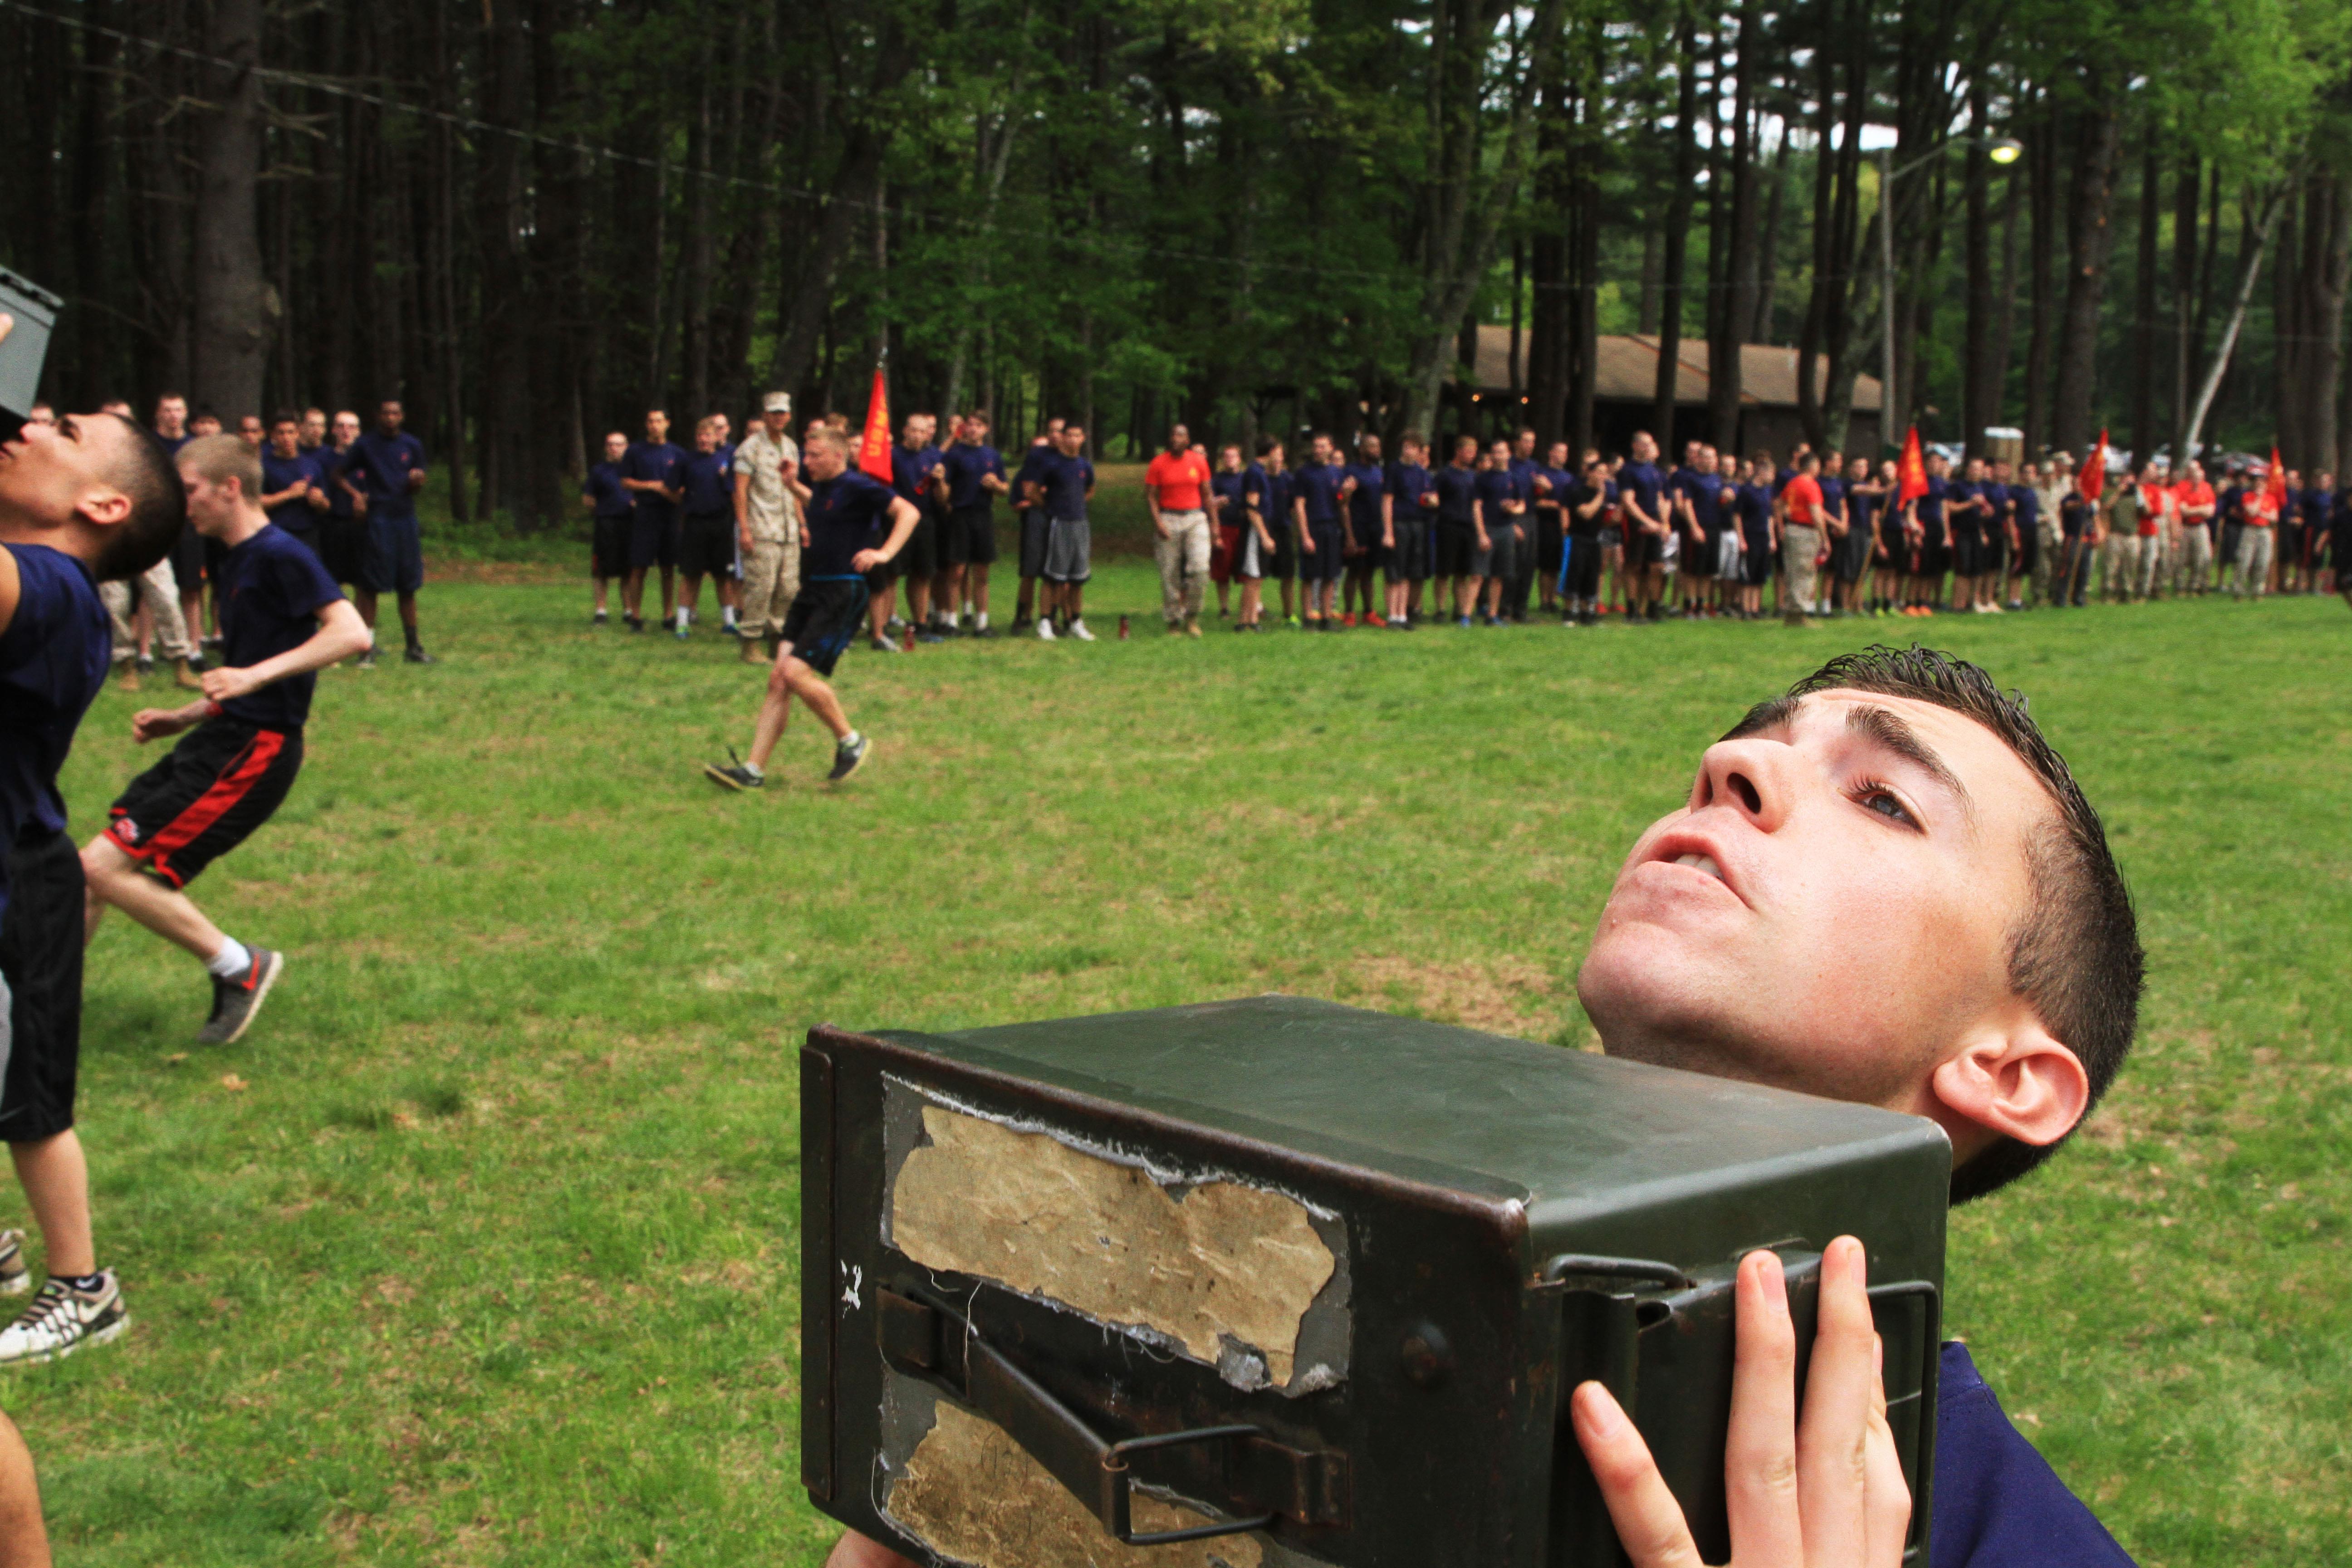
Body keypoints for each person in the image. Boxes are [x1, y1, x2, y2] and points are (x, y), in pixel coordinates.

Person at [825, 642, 2147, 1568]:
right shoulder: (1292, 1273)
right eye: (1754, 739)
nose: (1730, 763)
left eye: (1883, 798)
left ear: (2009, 1074)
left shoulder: (2017, 1542)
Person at [0, 384, 184, 1368]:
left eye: (64, 432)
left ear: (103, 504)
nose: (29, 426)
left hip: (16, 879)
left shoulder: (53, 587)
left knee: (31, 1097)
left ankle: (83, 1290)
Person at [80, 431, 370, 1051]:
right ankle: (39, 1008)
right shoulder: (234, 558)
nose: (183, 505)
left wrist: (252, 676)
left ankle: (240, 965)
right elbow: (242, 678)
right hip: (221, 736)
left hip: (255, 751)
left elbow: (352, 633)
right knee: (89, 873)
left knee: (102, 869)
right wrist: (184, 716)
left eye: (190, 491)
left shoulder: (282, 554)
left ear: (229, 488)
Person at [701, 424, 919, 790]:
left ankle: (850, 740)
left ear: (838, 456)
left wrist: (884, 553)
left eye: (816, 456)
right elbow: (823, 508)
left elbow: (909, 513)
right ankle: (753, 771)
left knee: (795, 674)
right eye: (807, 455)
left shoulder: (859, 486)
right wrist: (792, 486)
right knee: (778, 679)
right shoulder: (825, 489)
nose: (808, 462)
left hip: (842, 591)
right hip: (812, 590)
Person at [342, 399, 434, 664]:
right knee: (371, 586)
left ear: (402, 416)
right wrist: (356, 496)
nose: (391, 418)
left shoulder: (412, 445)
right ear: (378, 416)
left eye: (395, 413)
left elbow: (417, 486)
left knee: (408, 585)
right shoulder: (366, 445)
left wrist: (417, 482)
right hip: (378, 520)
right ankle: (367, 648)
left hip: (405, 519)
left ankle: (413, 647)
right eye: (386, 413)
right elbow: (338, 473)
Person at [734, 393, 803, 663]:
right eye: (774, 413)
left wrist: (802, 524)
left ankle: (778, 642)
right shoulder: (750, 448)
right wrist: (745, 529)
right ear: (764, 415)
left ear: (789, 415)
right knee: (761, 587)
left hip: (788, 530)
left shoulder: (791, 447)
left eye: (783, 413)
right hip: (761, 527)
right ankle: (750, 643)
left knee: (788, 588)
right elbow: (740, 492)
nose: (779, 417)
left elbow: (793, 490)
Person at [936, 410, 1007, 637]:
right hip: (960, 515)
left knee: (982, 572)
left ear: (986, 429)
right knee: (956, 571)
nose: (973, 429)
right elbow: (944, 491)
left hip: (983, 515)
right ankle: (951, 621)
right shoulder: (955, 455)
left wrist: (996, 485)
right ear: (964, 428)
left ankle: (982, 623)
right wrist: (941, 485)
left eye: (978, 425)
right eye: (970, 425)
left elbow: (1005, 489)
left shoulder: (993, 455)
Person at [1028, 421, 1097, 641]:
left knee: (1078, 578)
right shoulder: (1052, 464)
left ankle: (1076, 621)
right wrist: (1050, 508)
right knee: (1052, 577)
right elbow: (1032, 491)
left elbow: (1091, 489)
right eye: (1070, 435)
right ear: (1063, 438)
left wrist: (1079, 504)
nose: (1073, 440)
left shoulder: (1085, 466)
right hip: (1059, 524)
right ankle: (1045, 622)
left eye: (1078, 436)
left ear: (1083, 439)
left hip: (1080, 524)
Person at [1144, 423, 1213, 637]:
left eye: (1181, 435)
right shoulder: (1158, 463)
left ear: (1188, 440)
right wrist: (1158, 523)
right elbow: (1150, 496)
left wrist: (1215, 525)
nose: (1176, 439)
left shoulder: (1198, 461)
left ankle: (1192, 617)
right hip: (1168, 518)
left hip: (1195, 518)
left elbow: (1207, 494)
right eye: (1173, 435)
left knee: (1200, 569)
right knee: (1170, 573)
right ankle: (1174, 621)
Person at [619, 409, 685, 635]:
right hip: (645, 513)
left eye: (659, 421)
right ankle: (636, 616)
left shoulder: (677, 453)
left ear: (667, 423)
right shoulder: (635, 451)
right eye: (650, 421)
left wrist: (675, 494)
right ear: (646, 425)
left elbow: (684, 483)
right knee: (639, 566)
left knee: (668, 567)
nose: (655, 425)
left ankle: (668, 615)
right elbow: (625, 482)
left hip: (670, 513)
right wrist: (652, 486)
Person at [884, 413, 946, 645]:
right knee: (892, 573)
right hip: (898, 520)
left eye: (923, 431)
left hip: (925, 520)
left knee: (923, 573)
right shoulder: (893, 456)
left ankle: (921, 624)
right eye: (914, 430)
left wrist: (940, 481)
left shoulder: (935, 456)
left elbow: (943, 498)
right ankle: (884, 624)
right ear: (905, 431)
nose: (918, 436)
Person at [674, 416, 736, 641]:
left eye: (708, 435)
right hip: (695, 523)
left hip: (721, 522)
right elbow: (672, 488)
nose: (703, 440)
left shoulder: (726, 460)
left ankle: (730, 621)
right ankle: (682, 623)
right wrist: (686, 504)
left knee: (723, 575)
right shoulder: (686, 460)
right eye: (700, 435)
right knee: (690, 574)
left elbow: (734, 491)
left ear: (716, 437)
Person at [1008, 417, 1063, 637]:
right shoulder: (1037, 456)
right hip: (1037, 516)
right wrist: (1044, 501)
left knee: (1057, 572)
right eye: (1051, 430)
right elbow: (1027, 488)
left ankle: (1052, 618)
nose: (1054, 435)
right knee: (1030, 570)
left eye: (1059, 431)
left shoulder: (1069, 458)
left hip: (1061, 517)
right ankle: (1022, 616)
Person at [1291, 431, 1346, 630]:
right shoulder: (1304, 473)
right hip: (1313, 526)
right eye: (1316, 446)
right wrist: (1305, 535)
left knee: (1330, 575)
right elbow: (1299, 505)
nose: (1318, 450)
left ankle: (1326, 617)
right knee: (1309, 575)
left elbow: (1341, 503)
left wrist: (1347, 493)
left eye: (1322, 446)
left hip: (1332, 527)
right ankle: (1308, 618)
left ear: (1331, 448)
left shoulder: (1337, 473)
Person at [1237, 439, 1292, 631]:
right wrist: (1265, 536)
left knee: (1258, 576)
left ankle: (1252, 620)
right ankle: (1244, 622)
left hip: (1263, 526)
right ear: (1271, 452)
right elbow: (1252, 508)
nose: (1280, 457)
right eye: (1279, 452)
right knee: (1254, 576)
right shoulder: (1254, 472)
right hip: (1256, 529)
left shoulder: (1260, 472)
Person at [258, 410, 328, 558]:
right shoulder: (264, 465)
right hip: (276, 532)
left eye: (291, 432)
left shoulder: (312, 465)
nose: (286, 438)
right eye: (281, 433)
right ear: (273, 436)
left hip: (308, 533)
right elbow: (256, 503)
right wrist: (288, 495)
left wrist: (319, 501)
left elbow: (326, 506)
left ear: (298, 433)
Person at [1472, 437, 1526, 626]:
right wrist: (1481, 534)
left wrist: (1513, 510)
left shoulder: (1514, 478)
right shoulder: (1483, 478)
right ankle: (1466, 615)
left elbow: (1522, 506)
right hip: (1488, 528)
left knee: (1499, 576)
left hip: (1506, 529)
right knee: (1478, 574)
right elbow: (1477, 507)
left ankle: (1492, 615)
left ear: (1508, 454)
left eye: (1501, 452)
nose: (1497, 456)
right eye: (1495, 453)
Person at [1431, 435, 1484, 625]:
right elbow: (1434, 496)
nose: (1472, 456)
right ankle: (1440, 609)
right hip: (1448, 525)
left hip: (1468, 527)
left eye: (1474, 452)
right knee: (1444, 571)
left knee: (1463, 572)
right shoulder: (1445, 474)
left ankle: (1460, 609)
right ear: (1458, 451)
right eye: (1468, 451)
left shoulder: (1473, 476)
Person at [582, 430, 633, 625]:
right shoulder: (599, 471)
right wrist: (602, 511)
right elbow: (588, 499)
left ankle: (629, 611)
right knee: (601, 570)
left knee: (628, 570)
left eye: (619, 445)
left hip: (629, 524)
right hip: (606, 524)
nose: (614, 448)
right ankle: (601, 611)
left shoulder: (633, 470)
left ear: (626, 447)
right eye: (610, 445)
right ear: (606, 448)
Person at [1385, 434, 1436, 629]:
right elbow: (1387, 501)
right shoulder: (1394, 470)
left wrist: (1432, 501)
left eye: (1413, 447)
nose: (1409, 451)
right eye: (1406, 447)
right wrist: (1388, 532)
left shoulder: (1421, 473)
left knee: (1408, 571)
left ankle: (1402, 615)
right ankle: (1392, 616)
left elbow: (1430, 497)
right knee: (1395, 572)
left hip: (1418, 524)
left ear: (1419, 450)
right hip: (1399, 524)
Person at [1618, 432, 1669, 622]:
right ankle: (1632, 610)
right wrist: (1647, 521)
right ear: (1635, 446)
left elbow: (1660, 498)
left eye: (1650, 444)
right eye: (1644, 444)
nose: (1648, 448)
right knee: (1634, 565)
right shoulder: (1627, 470)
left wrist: (1664, 523)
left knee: (1657, 566)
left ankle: (1652, 608)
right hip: (1636, 520)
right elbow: (1628, 501)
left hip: (1655, 520)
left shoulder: (1655, 470)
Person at [1338, 434, 1387, 627]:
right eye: (1372, 446)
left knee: (1370, 571)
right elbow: (1344, 503)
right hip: (1358, 528)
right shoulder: (1351, 472)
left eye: (1378, 446)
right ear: (1362, 449)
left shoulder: (1379, 472)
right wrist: (1349, 535)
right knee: (1354, 571)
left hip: (1376, 528)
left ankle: (1369, 612)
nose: (1377, 450)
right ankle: (1349, 613)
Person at [318, 410, 367, 595]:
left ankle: (361, 616)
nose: (346, 431)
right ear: (333, 430)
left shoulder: (367, 460)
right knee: (331, 581)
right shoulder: (324, 460)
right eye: (341, 426)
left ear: (359, 431)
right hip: (332, 525)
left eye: (352, 427)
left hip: (361, 526)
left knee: (363, 582)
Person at [1561, 452, 1611, 626]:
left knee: (1591, 576)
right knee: (1575, 574)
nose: (1603, 477)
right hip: (1578, 538)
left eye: (1605, 473)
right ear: (1590, 473)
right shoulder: (1579, 492)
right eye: (1600, 472)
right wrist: (1600, 496)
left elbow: (1603, 519)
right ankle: (1568, 614)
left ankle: (1586, 614)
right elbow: (1586, 514)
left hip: (1595, 539)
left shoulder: (1603, 495)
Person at [1208, 444, 1248, 622]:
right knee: (1222, 571)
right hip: (1224, 528)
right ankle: (1224, 608)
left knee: (1247, 571)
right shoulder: (1217, 480)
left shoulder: (1246, 479)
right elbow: (1208, 504)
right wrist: (1217, 504)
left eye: (1233, 456)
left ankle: (1251, 607)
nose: (1229, 459)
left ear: (1240, 459)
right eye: (1226, 456)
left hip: (1243, 528)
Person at [2170, 459, 2215, 596]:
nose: (2195, 476)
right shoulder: (2181, 487)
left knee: (2203, 557)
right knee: (2181, 558)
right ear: (2188, 472)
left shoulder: (2207, 487)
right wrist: (2201, 510)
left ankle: (2195, 585)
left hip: (2200, 526)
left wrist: (2193, 510)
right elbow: (2183, 511)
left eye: (2197, 472)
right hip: (2185, 526)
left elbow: (2210, 511)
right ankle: (2180, 587)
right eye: (2192, 471)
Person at [2234, 469, 2277, 598]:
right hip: (2250, 530)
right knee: (2245, 561)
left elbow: (2274, 518)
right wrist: (2259, 498)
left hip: (2265, 531)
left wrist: (2261, 513)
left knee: (2263, 562)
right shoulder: (2247, 496)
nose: (2260, 484)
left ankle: (2258, 591)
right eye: (2257, 482)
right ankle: (2239, 590)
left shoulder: (2271, 499)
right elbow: (2251, 512)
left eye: (2262, 482)